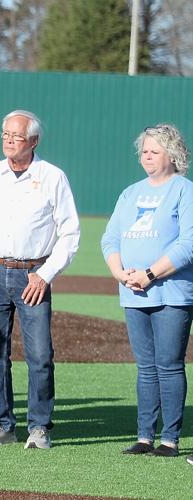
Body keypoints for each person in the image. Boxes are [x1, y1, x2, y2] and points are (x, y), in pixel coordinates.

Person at [0, 110, 80, 449]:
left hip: (34, 275)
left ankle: (40, 427)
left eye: (16, 136)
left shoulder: (52, 176)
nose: (8, 140)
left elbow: (70, 232)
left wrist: (45, 276)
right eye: (4, 134)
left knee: (40, 355)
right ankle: (3, 425)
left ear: (34, 141)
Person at [101, 124, 193, 458]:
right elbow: (110, 238)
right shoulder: (130, 193)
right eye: (144, 151)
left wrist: (151, 273)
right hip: (134, 292)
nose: (147, 157)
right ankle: (144, 436)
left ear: (173, 154)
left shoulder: (184, 190)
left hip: (171, 293)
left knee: (168, 364)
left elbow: (189, 243)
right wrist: (120, 273)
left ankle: (169, 438)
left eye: (155, 151)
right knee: (146, 367)